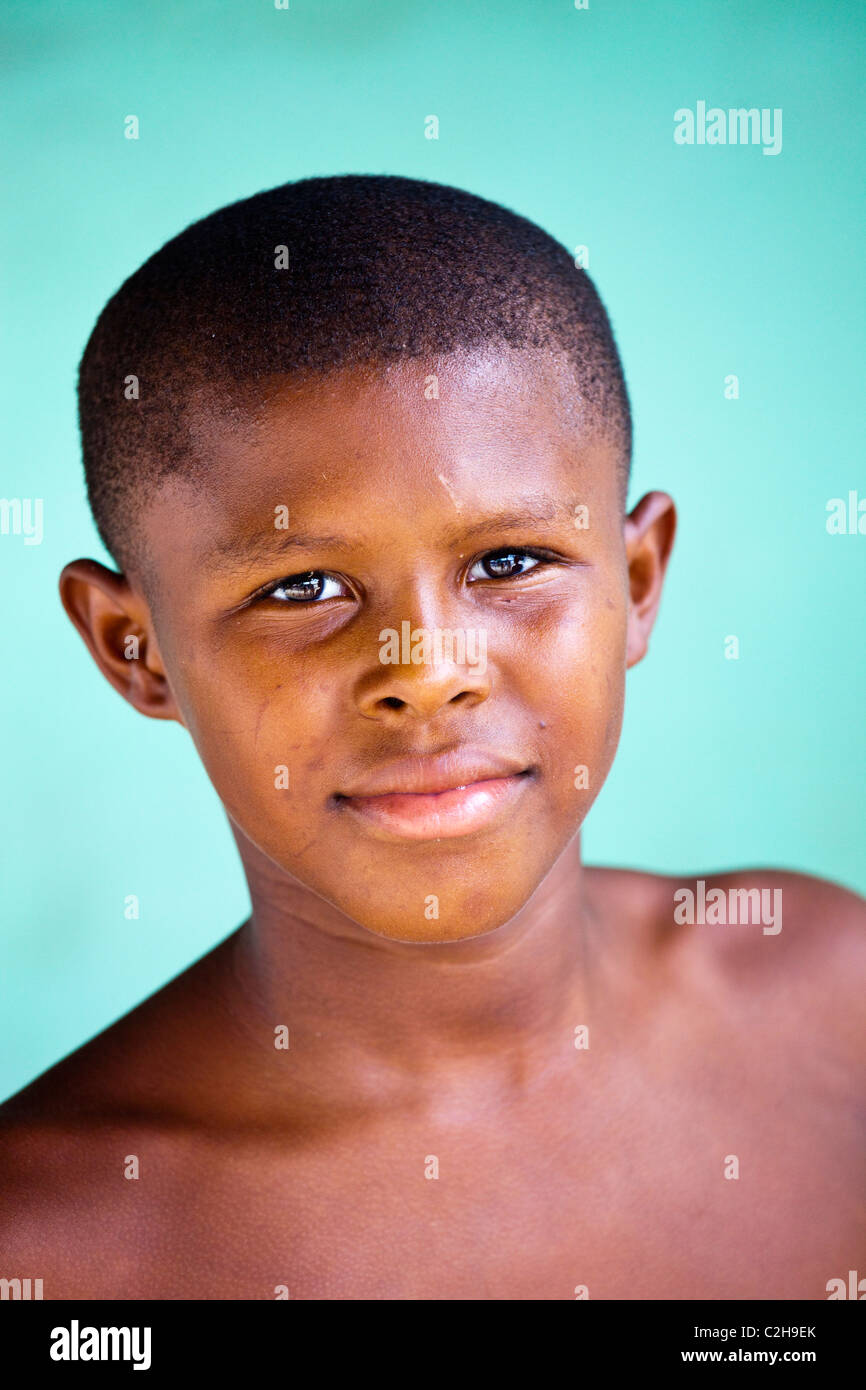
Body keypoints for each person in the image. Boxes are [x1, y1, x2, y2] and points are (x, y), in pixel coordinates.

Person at [1, 175, 863, 1300]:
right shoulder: (50, 1256)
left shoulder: (828, 1000)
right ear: (136, 648)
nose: (426, 673)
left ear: (637, 580)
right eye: (303, 585)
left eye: (509, 563)